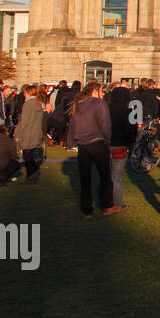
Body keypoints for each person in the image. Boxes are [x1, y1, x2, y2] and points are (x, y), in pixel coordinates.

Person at [67, 80, 116, 216]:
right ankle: (107, 206)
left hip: (82, 144)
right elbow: (105, 124)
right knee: (106, 176)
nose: (103, 94)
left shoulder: (78, 104)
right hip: (97, 142)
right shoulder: (99, 104)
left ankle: (86, 209)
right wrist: (107, 140)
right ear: (95, 91)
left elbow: (72, 124)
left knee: (85, 178)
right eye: (102, 91)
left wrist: (71, 142)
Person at [106, 83, 136, 212]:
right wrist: (130, 143)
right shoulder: (127, 111)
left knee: (107, 174)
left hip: (107, 143)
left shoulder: (106, 108)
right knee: (115, 175)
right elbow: (131, 130)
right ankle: (117, 202)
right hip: (120, 145)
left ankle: (106, 201)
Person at [16, 85, 47, 184]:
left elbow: (24, 122)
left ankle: (31, 176)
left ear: (29, 93)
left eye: (25, 93)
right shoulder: (38, 103)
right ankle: (34, 175)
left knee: (27, 156)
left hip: (28, 132)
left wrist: (17, 134)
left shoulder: (28, 104)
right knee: (31, 155)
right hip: (37, 131)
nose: (24, 94)